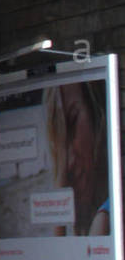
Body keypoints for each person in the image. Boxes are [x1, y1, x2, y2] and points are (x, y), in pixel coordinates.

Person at [46, 79, 111, 237]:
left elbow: (58, 257)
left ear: (97, 113)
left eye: (74, 121)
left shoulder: (103, 220)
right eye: (59, 143)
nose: (67, 162)